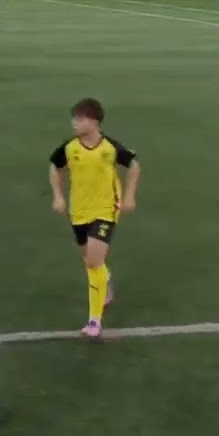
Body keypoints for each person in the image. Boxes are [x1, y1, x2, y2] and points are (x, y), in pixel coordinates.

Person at [48, 98, 142, 339]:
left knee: (93, 262)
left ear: (94, 121)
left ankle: (94, 320)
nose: (74, 123)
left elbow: (134, 166)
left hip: (106, 210)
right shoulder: (70, 147)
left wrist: (129, 196)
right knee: (90, 260)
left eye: (79, 118)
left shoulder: (110, 147)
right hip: (79, 212)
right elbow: (54, 166)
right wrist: (58, 196)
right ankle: (106, 280)